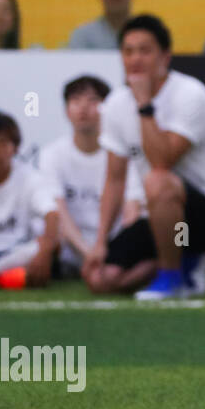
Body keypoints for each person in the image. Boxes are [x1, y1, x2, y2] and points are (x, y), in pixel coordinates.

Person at [83, 15, 205, 299]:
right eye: (128, 51)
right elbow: (114, 180)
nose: (135, 59)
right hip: (157, 214)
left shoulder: (191, 94)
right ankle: (185, 263)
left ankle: (172, 276)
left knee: (158, 180)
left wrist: (144, 105)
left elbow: (162, 161)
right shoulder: (115, 104)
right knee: (101, 280)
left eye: (144, 50)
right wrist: (100, 242)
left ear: (165, 56)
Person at [38, 75, 145, 276]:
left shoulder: (122, 153)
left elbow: (132, 208)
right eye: (75, 101)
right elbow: (58, 211)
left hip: (113, 246)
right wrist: (89, 253)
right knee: (40, 237)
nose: (83, 108)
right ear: (66, 110)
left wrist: (109, 248)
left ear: (108, 109)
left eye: (93, 100)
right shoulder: (51, 154)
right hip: (70, 248)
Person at [0, 112, 58, 289]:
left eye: (1, 143)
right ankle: (3, 278)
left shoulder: (30, 178)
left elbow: (52, 214)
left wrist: (45, 253)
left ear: (15, 147)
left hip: (13, 254)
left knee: (42, 245)